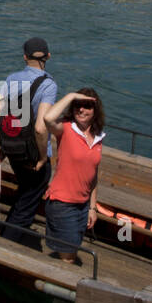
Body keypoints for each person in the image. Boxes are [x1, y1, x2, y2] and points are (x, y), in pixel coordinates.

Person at [0, 38, 58, 249]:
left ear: (24, 57)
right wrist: (41, 157)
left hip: (13, 149)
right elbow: (41, 127)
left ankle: (7, 232)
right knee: (28, 202)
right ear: (48, 56)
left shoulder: (12, 78)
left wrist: (2, 143)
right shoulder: (48, 84)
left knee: (24, 194)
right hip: (33, 154)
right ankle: (7, 247)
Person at [39, 89, 106, 263]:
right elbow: (47, 118)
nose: (81, 110)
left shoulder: (97, 136)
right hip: (62, 203)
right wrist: (71, 96)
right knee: (68, 257)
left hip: (82, 205)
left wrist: (92, 207)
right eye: (77, 105)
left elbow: (93, 174)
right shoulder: (66, 128)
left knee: (72, 251)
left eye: (87, 106)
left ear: (95, 109)